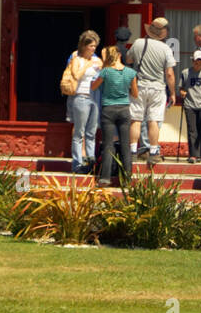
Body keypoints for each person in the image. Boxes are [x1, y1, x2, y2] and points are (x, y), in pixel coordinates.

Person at [126, 17, 176, 166]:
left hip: (139, 85)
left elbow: (128, 60)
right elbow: (169, 73)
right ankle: (153, 151)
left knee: (136, 119)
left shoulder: (138, 43)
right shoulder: (166, 49)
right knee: (153, 120)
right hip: (157, 87)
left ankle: (133, 150)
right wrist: (173, 93)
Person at [94, 45, 137, 187]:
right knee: (125, 144)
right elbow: (135, 93)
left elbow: (94, 86)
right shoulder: (130, 72)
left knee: (108, 144)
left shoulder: (105, 72)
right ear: (119, 55)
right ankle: (126, 178)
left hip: (108, 108)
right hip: (124, 108)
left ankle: (105, 177)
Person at [66, 31, 103, 174]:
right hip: (80, 96)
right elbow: (76, 75)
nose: (93, 49)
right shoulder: (77, 58)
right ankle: (77, 163)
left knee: (91, 132)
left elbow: (103, 74)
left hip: (94, 97)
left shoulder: (97, 60)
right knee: (79, 132)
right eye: (91, 46)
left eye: (95, 46)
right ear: (84, 46)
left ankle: (90, 163)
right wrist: (88, 65)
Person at [178, 50, 201, 163]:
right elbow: (181, 87)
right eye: (196, 61)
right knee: (192, 130)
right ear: (192, 61)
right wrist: (182, 92)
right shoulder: (185, 73)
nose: (197, 64)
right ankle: (193, 155)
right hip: (190, 105)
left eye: (200, 62)